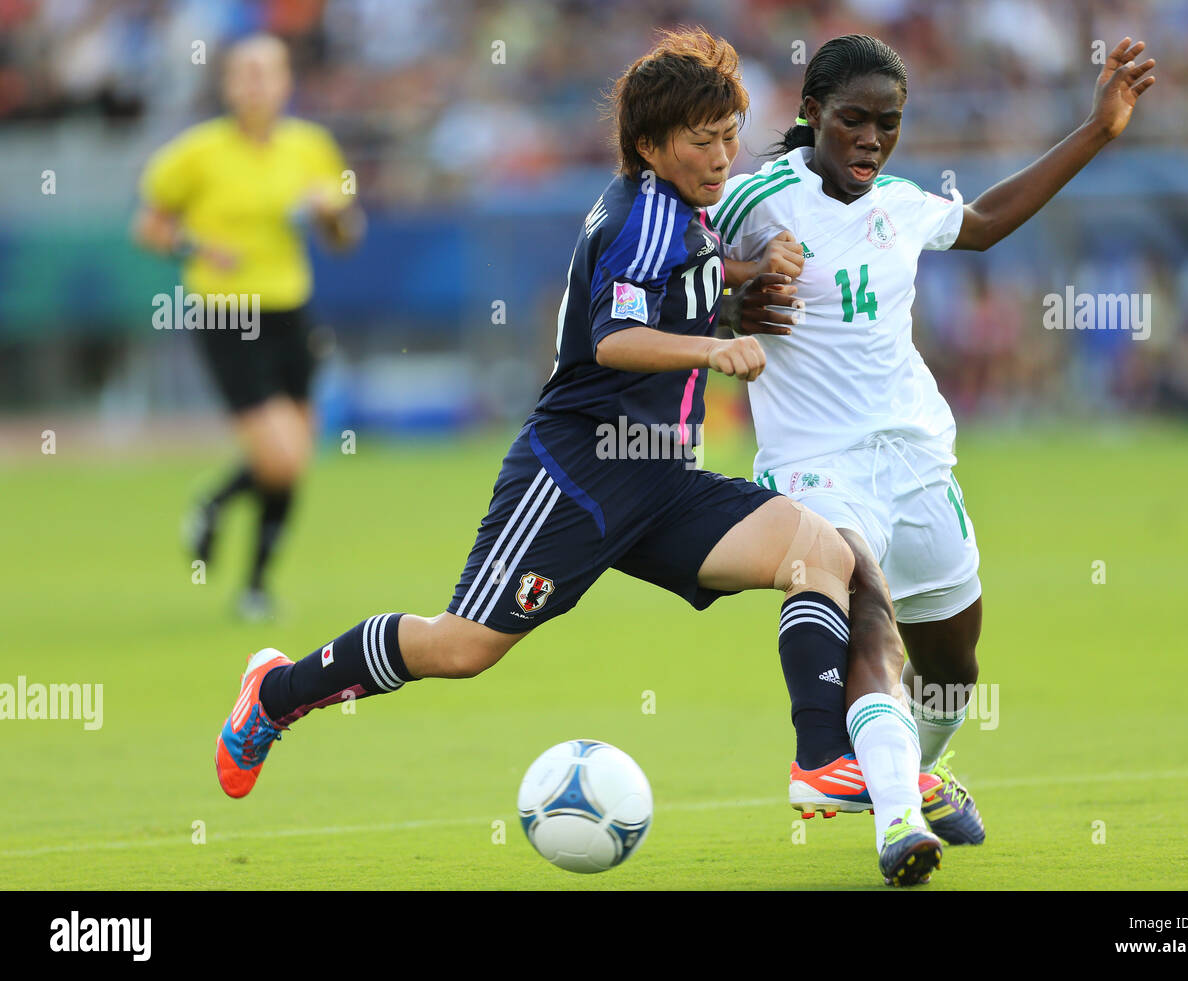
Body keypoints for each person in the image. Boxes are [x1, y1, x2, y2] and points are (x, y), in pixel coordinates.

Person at [211, 27, 946, 887]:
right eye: (701, 141)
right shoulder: (645, 216)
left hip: (661, 478)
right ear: (649, 145)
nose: (720, 156)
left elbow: (689, 275)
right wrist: (714, 350)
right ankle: (275, 692)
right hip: (576, 478)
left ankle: (821, 756)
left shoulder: (684, 205)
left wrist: (744, 272)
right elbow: (615, 337)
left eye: (728, 135)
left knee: (819, 551)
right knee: (460, 647)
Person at [711, 34, 1155, 847]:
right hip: (815, 468)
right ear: (812, 114)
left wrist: (1099, 130)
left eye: (889, 123)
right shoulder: (753, 201)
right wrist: (723, 311)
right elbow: (670, 276)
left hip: (916, 462)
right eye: (853, 121)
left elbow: (983, 223)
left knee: (952, 670)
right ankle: (898, 822)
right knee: (867, 609)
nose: (872, 140)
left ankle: (912, 768)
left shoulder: (901, 206)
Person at [132, 34, 364, 620]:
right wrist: (195, 244)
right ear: (228, 84)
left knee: (294, 457)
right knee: (281, 455)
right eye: (245, 73)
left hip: (290, 311)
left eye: (268, 72)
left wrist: (333, 213)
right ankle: (226, 524)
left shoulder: (310, 147)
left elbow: (345, 239)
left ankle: (250, 573)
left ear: (287, 82)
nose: (256, 83)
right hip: (226, 312)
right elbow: (150, 226)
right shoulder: (195, 154)